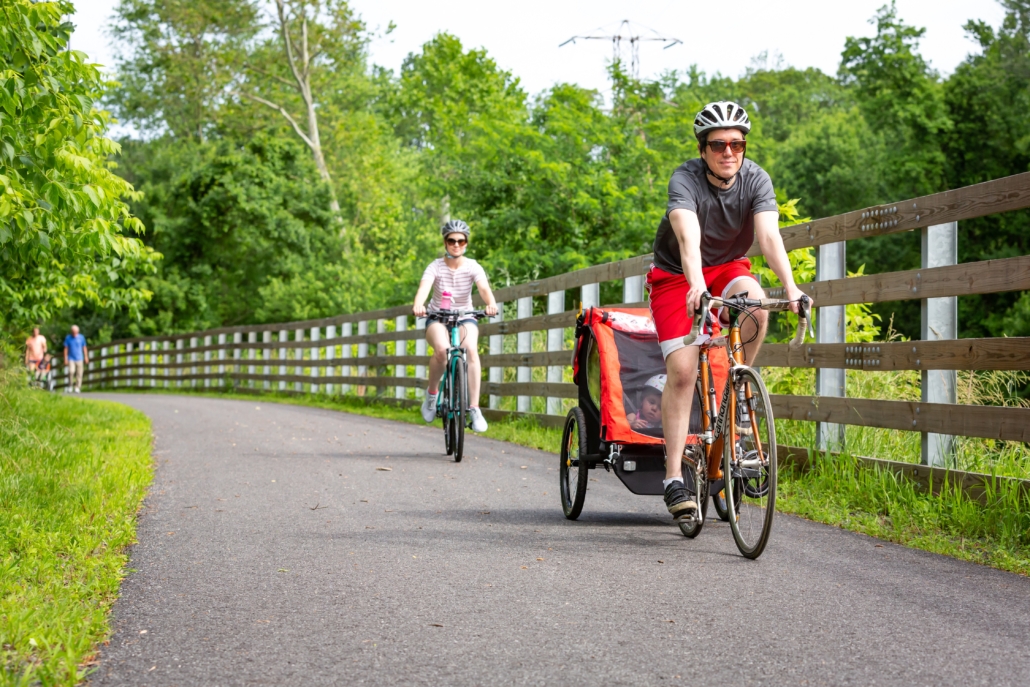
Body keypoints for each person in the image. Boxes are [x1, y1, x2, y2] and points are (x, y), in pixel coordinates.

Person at [648, 101, 811, 521]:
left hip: (729, 268)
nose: (729, 152)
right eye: (718, 144)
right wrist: (697, 288)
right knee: (683, 372)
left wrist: (792, 289)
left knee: (755, 300)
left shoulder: (756, 178)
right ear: (703, 148)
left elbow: (769, 237)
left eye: (737, 144)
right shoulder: (684, 179)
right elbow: (688, 239)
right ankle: (672, 479)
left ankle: (738, 390)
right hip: (676, 276)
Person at [412, 220, 499, 433]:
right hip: (437, 317)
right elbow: (425, 286)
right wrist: (418, 304)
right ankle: (432, 396)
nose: (456, 245)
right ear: (445, 242)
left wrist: (491, 303)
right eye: (452, 240)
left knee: (470, 350)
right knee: (441, 350)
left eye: (461, 241)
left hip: (464, 317)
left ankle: (474, 408)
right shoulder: (435, 266)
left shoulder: (472, 266)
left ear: (466, 243)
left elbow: (483, 287)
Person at [63, 325, 89, 393]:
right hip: (71, 358)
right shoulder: (68, 338)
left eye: (76, 332)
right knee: (71, 371)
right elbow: (66, 348)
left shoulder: (81, 337)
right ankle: (70, 386)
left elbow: (84, 347)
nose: (75, 334)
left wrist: (86, 356)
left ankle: (77, 387)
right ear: (71, 332)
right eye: (73, 332)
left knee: (79, 373)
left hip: (80, 358)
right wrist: (65, 358)